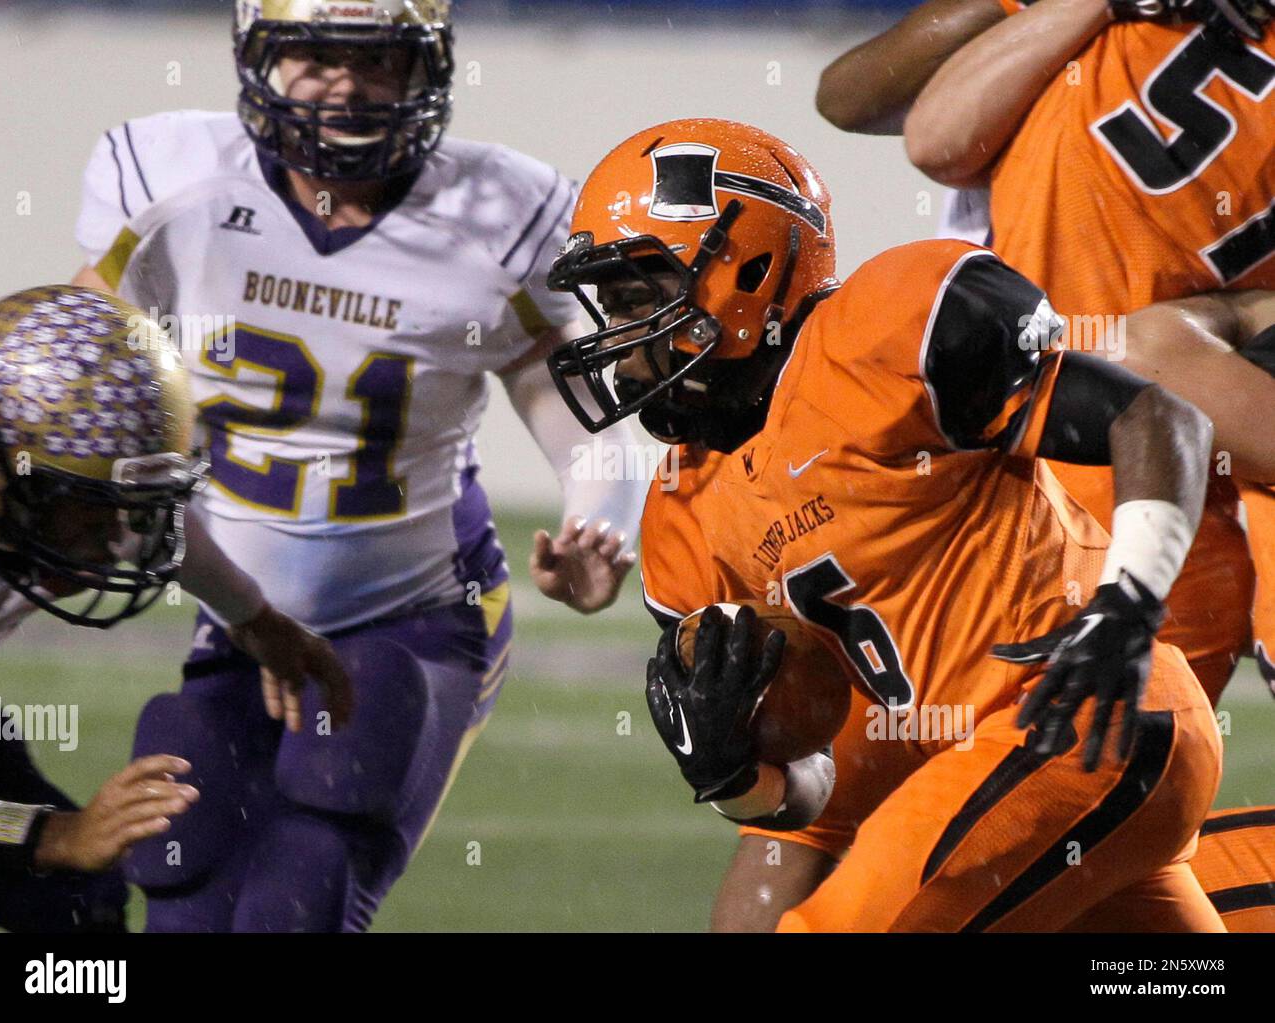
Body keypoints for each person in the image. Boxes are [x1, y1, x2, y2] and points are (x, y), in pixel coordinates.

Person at [542, 117, 1275, 931]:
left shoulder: (881, 329)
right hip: (1008, 777)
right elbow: (819, 788)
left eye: (636, 299)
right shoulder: (683, 515)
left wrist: (1128, 607)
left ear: (745, 266)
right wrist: (736, 778)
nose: (619, 344)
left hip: (1083, 714)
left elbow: (1159, 419)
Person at [71, 0, 647, 931]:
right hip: (238, 612)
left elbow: (574, 405)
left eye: (379, 58)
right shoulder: (170, 180)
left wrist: (599, 523)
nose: (346, 85)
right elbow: (83, 353)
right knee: (183, 879)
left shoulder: (501, 213)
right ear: (257, 55)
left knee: (300, 891)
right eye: (314, 53)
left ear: (428, 68)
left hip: (418, 611)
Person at [0, 284, 351, 932]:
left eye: (127, 510)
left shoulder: (21, 493)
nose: (112, 543)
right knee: (56, 858)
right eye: (89, 510)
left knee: (77, 900)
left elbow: (153, 530)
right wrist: (48, 834)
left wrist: (254, 619)